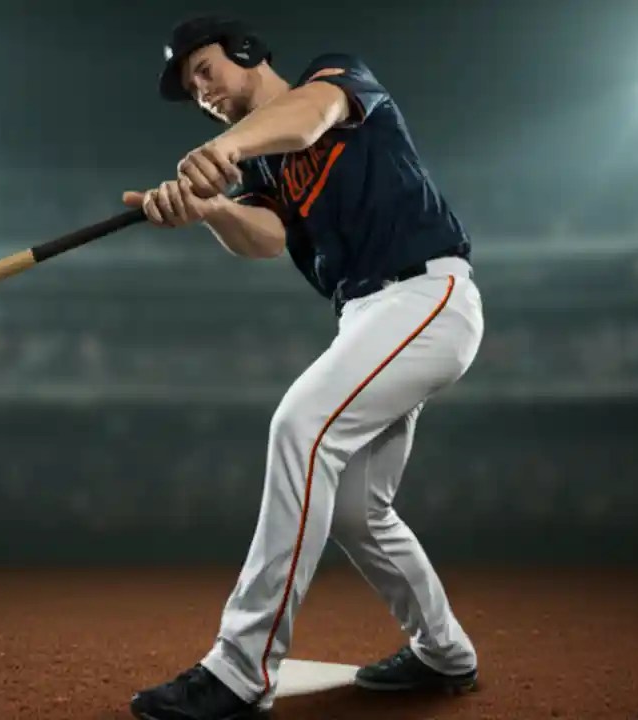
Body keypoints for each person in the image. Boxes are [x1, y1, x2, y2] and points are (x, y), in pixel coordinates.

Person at [124, 15, 485, 720]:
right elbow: (265, 239)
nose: (201, 92)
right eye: (189, 86)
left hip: (425, 292)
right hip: (369, 316)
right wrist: (208, 208)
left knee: (301, 424)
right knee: (357, 509)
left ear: (249, 51)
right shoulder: (258, 166)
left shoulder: (333, 77)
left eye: (205, 70)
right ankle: (443, 651)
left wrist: (219, 149)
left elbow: (310, 117)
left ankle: (239, 666)